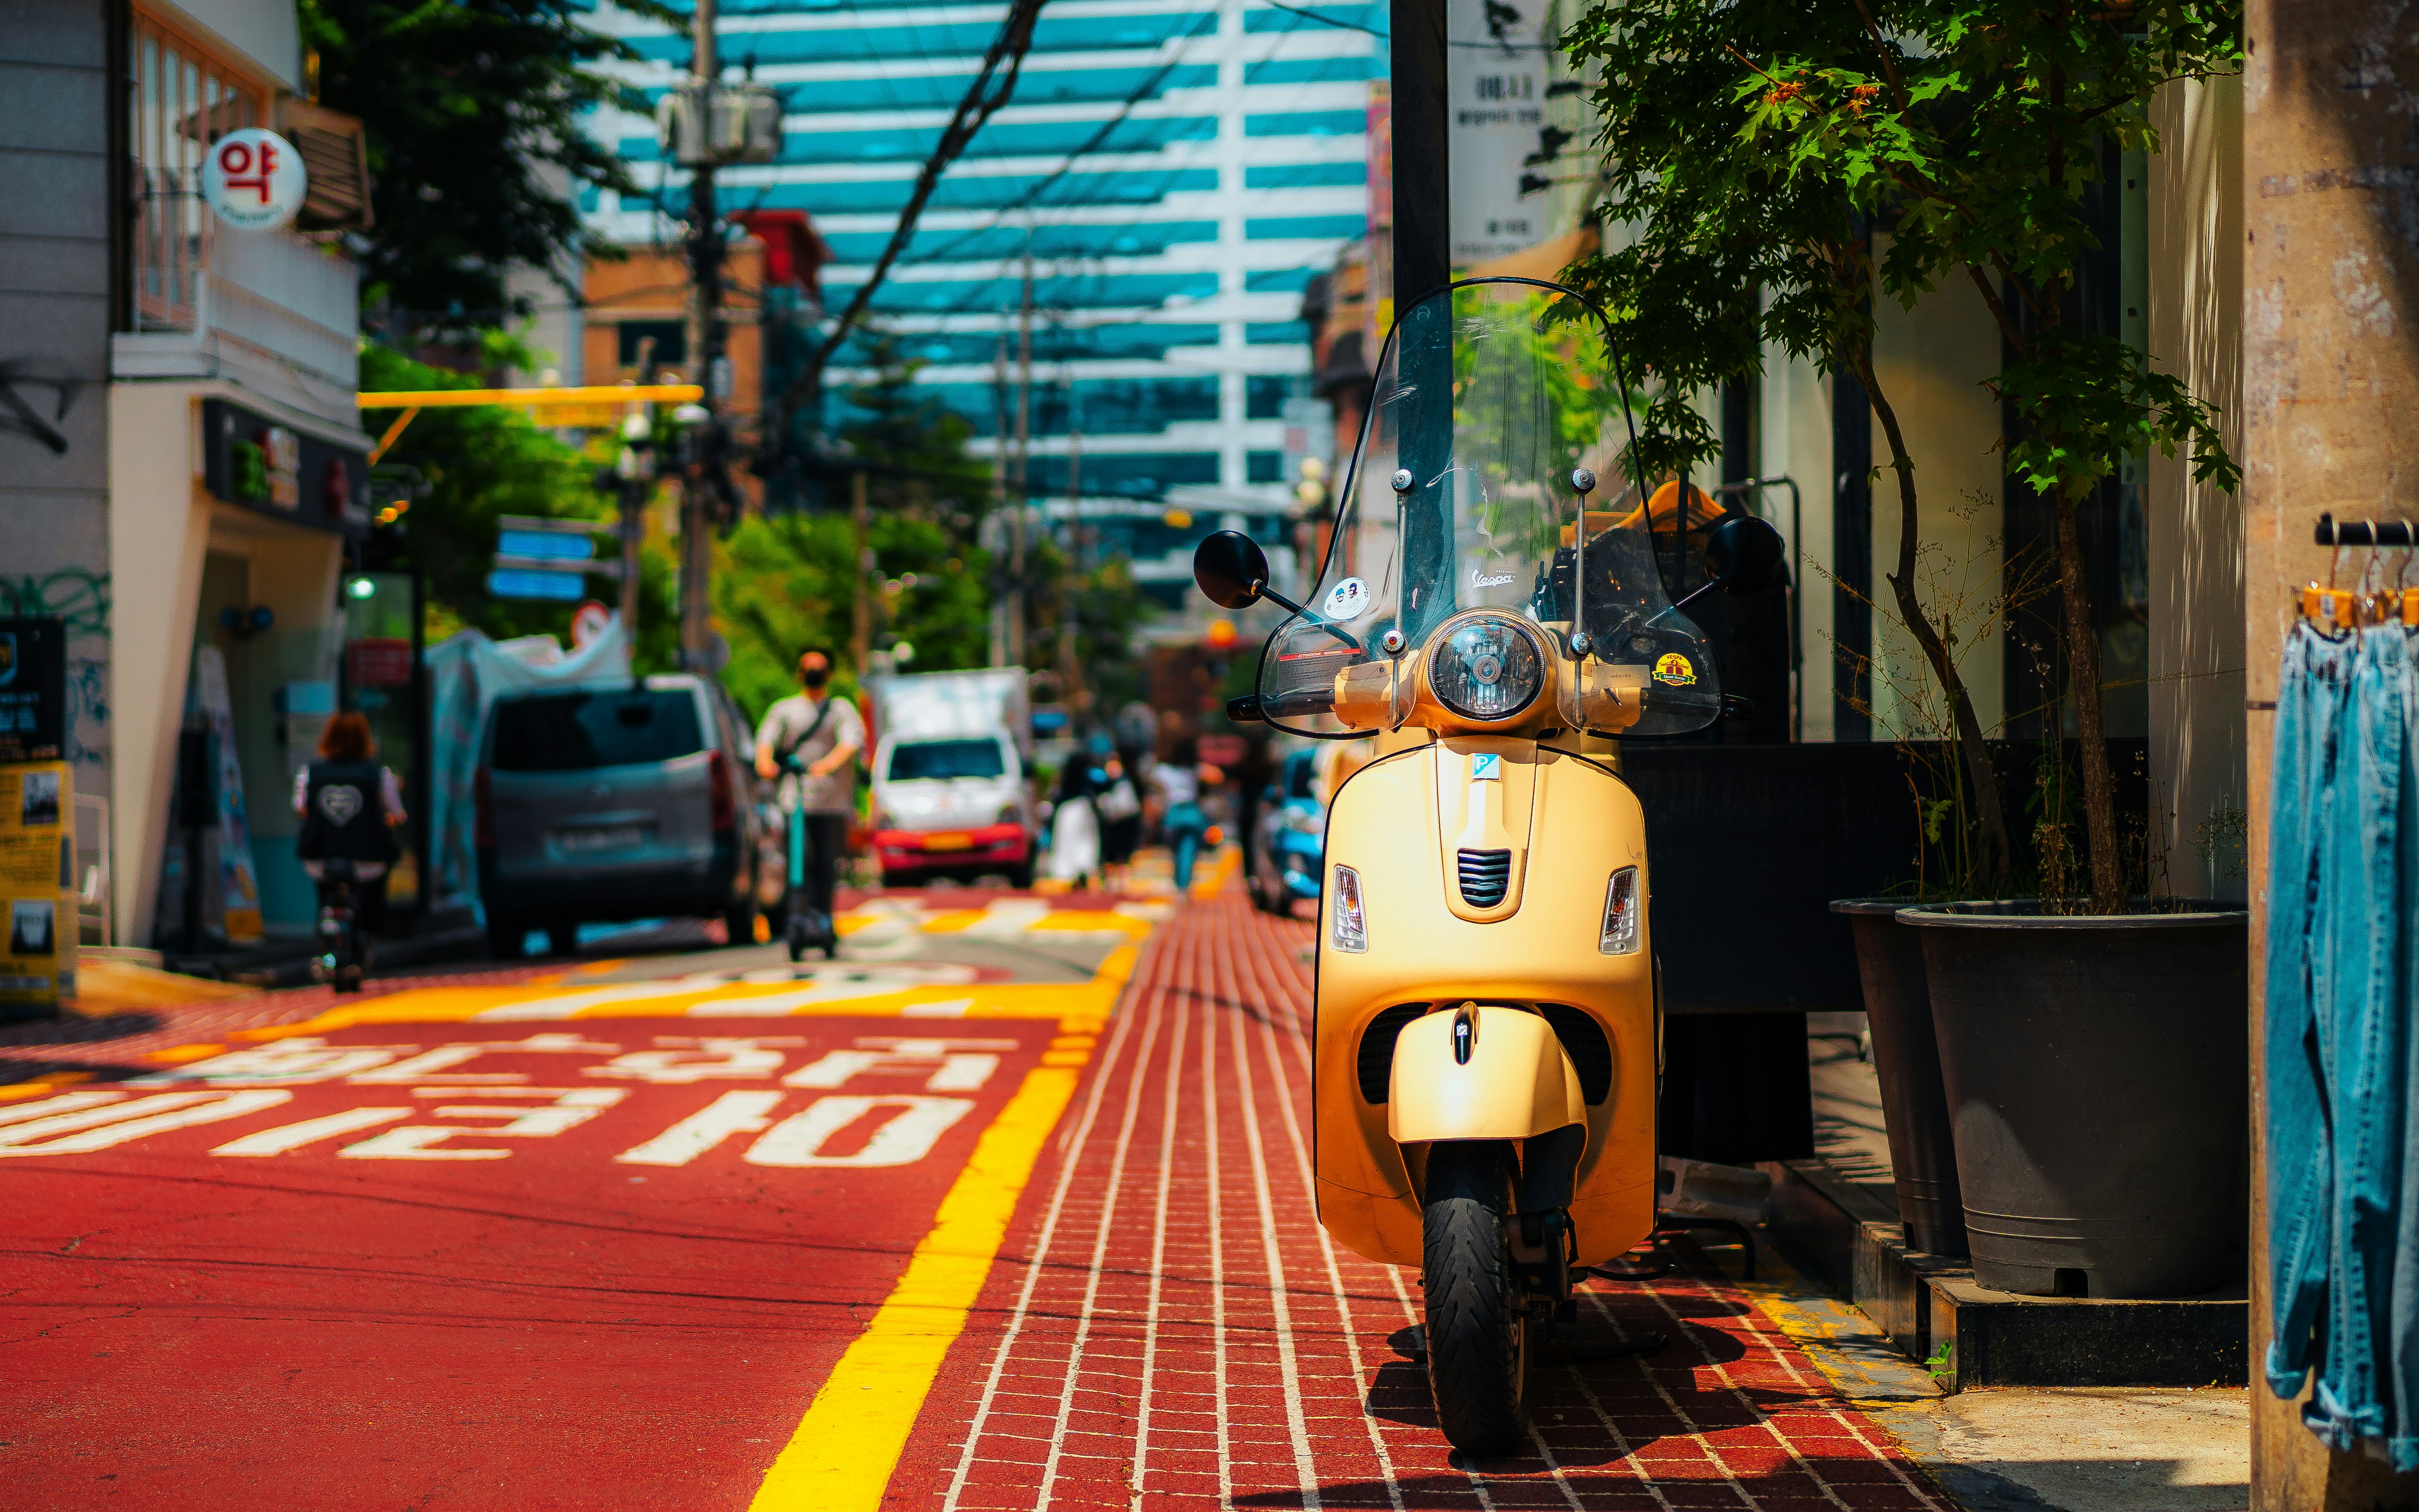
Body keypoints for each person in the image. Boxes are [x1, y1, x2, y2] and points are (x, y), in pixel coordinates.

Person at [755, 648, 865, 918]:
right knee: (799, 860)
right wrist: (765, 763)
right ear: (799, 674)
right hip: (795, 802)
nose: (814, 674)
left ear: (829, 674)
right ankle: (799, 913)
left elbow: (850, 743)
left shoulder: (841, 709)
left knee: (827, 865)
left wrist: (827, 765)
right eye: (809, 668)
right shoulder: (784, 710)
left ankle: (823, 917)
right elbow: (766, 740)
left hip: (832, 803)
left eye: (820, 668)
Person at [292, 711, 406, 936]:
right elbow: (397, 814)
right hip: (368, 861)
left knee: (325, 893)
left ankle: (325, 927)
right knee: (373, 895)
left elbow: (300, 808)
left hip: (320, 857)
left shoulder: (310, 773)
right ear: (366, 740)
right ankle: (370, 930)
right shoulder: (379, 774)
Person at [1152, 733, 1224, 895]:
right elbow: (1219, 776)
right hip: (1192, 814)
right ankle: (1184, 886)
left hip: (1173, 814)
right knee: (1189, 849)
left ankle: (1180, 884)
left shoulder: (1162, 770)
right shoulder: (1194, 770)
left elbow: (1152, 787)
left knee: (1176, 851)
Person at [1092, 733, 1143, 889]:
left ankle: (1121, 881)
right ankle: (1109, 881)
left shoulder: (1128, 781)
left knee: (1123, 853)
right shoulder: (1101, 782)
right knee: (1108, 853)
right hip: (1108, 823)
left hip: (1125, 823)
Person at [1046, 756, 1101, 891]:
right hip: (1080, 811)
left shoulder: (1066, 780)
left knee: (1069, 848)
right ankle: (1081, 872)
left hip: (1067, 813)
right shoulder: (1087, 778)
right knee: (1083, 845)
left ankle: (1074, 875)